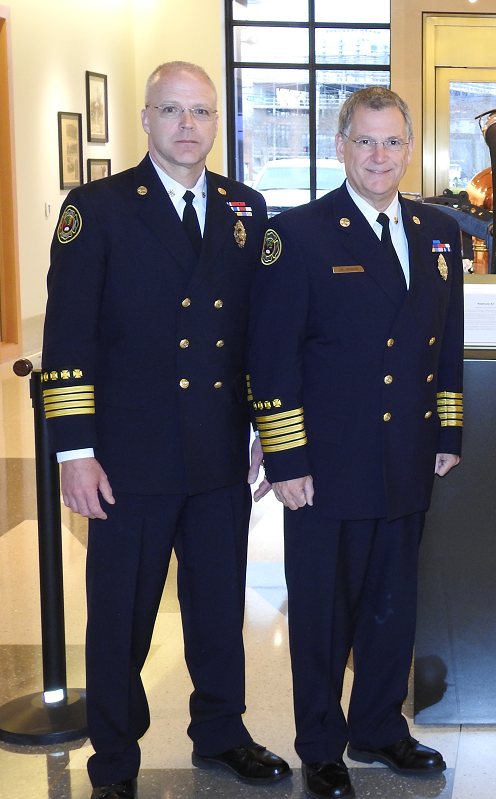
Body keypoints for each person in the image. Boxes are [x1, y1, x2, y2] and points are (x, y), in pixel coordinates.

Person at [41, 61, 290, 799]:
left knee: (218, 605)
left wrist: (266, 429)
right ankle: (114, 761)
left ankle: (221, 731)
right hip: (128, 455)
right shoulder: (98, 206)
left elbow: (259, 333)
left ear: (219, 123)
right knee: (121, 618)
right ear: (145, 119)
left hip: (217, 452)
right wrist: (75, 452)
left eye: (202, 112)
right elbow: (68, 337)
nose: (188, 125)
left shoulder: (247, 208)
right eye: (173, 110)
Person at [246, 86, 463, 799]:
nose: (379, 156)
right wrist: (285, 457)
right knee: (320, 612)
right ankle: (321, 744)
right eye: (365, 141)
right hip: (328, 465)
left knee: (391, 605)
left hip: (406, 455)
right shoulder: (300, 233)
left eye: (392, 141)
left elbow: (447, 341)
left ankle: (378, 728)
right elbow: (272, 354)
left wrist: (448, 427)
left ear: (410, 147)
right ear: (340, 146)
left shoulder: (438, 232)